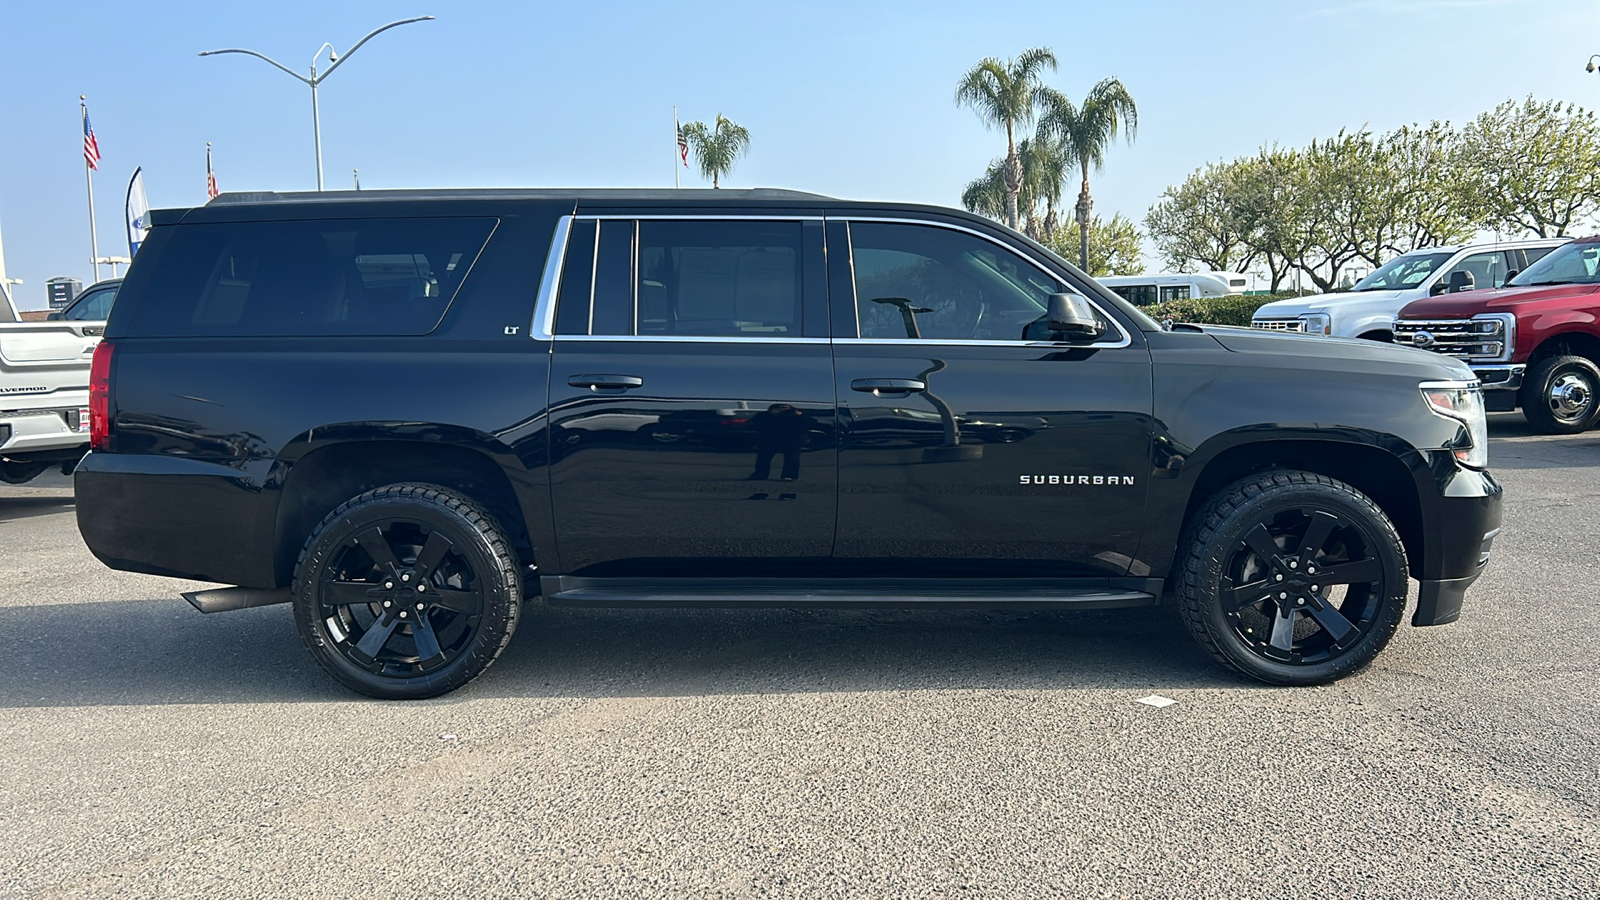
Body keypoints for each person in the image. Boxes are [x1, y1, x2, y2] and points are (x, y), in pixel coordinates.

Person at [747, 403, 809, 481]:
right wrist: (771, 415)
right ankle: (760, 474)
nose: (782, 410)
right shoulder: (765, 415)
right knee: (764, 457)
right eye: (779, 408)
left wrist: (801, 415)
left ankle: (789, 475)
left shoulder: (796, 415)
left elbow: (810, 423)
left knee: (792, 457)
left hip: (792, 439)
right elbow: (753, 424)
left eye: (785, 408)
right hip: (770, 438)